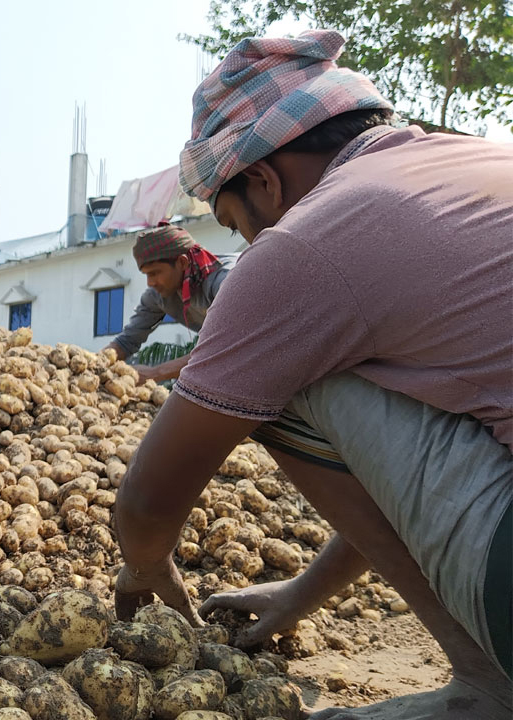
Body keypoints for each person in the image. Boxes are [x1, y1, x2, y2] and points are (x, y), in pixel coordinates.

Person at [111, 29, 512, 720]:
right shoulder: (478, 158)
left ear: (263, 180)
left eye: (240, 225)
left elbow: (145, 506)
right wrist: (303, 592)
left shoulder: (303, 245)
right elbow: (407, 474)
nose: (249, 244)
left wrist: (145, 561)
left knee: (285, 367)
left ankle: (492, 682)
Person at [103, 223, 235, 383]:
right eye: (146, 275)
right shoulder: (158, 295)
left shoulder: (225, 282)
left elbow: (227, 343)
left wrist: (157, 372)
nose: (150, 282)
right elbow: (126, 342)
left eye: (155, 273)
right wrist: (95, 364)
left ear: (182, 262)